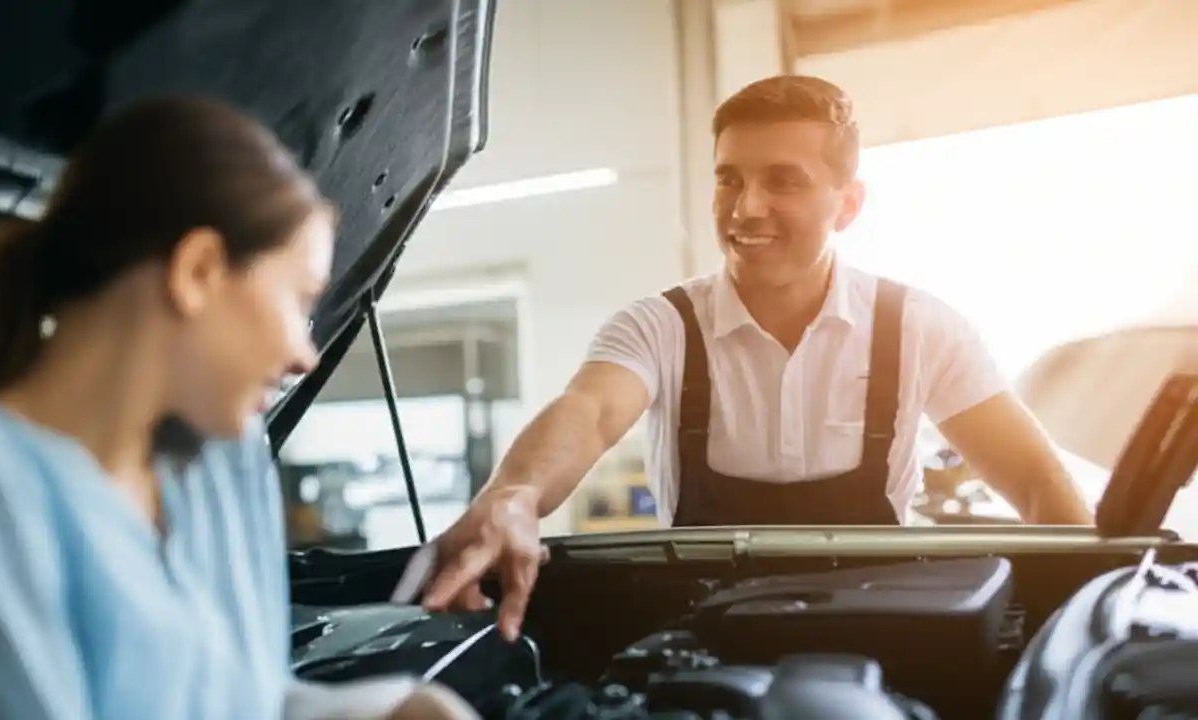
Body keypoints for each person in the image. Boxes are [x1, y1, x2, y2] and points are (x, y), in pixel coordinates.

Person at [422, 75, 1094, 641]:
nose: (746, 208)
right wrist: (515, 496)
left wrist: (1085, 612)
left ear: (849, 204)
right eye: (729, 180)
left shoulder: (920, 327)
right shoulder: (661, 327)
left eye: (782, 182)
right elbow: (590, 411)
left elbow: (1041, 487)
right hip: (700, 635)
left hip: (887, 635)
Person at [0, 97, 475, 720]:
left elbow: (255, 702)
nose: (305, 355)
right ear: (199, 271)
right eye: (299, 301)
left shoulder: (223, 465)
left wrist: (399, 709)